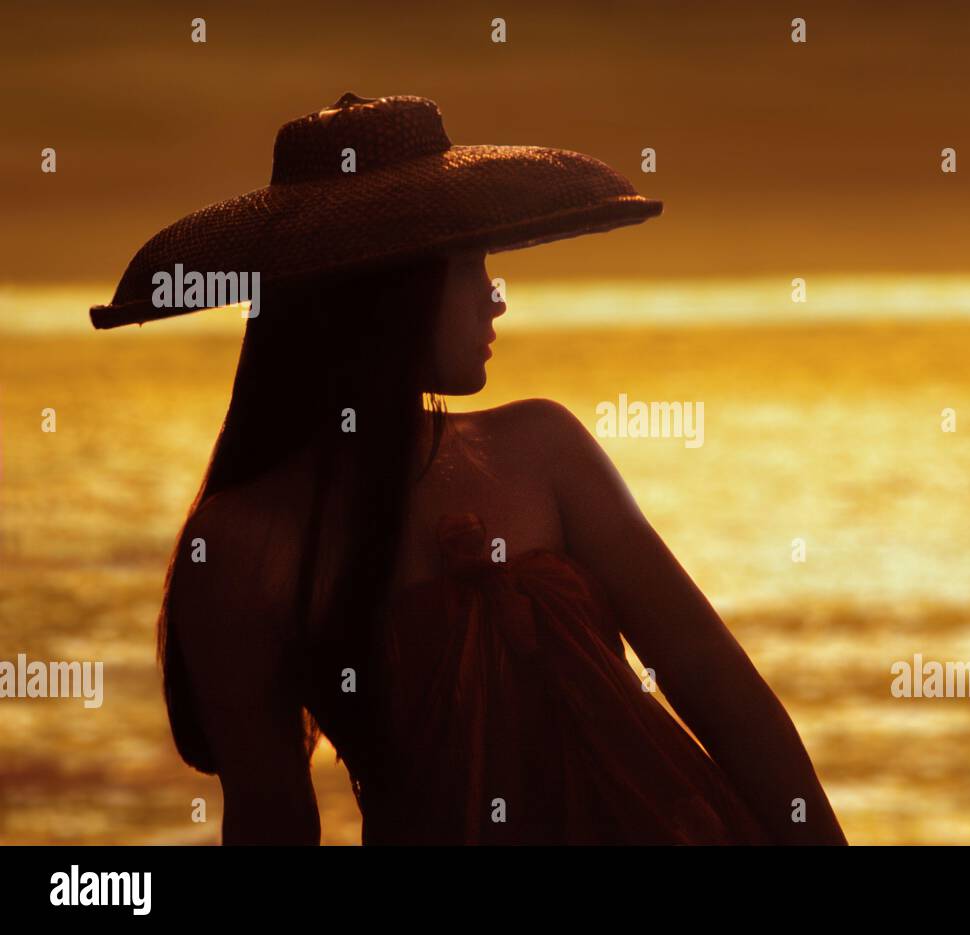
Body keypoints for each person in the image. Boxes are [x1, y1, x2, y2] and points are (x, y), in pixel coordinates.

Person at [91, 93, 846, 845]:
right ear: (389, 290)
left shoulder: (545, 447)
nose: (496, 300)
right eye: (468, 267)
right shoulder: (240, 544)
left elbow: (713, 680)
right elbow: (272, 818)